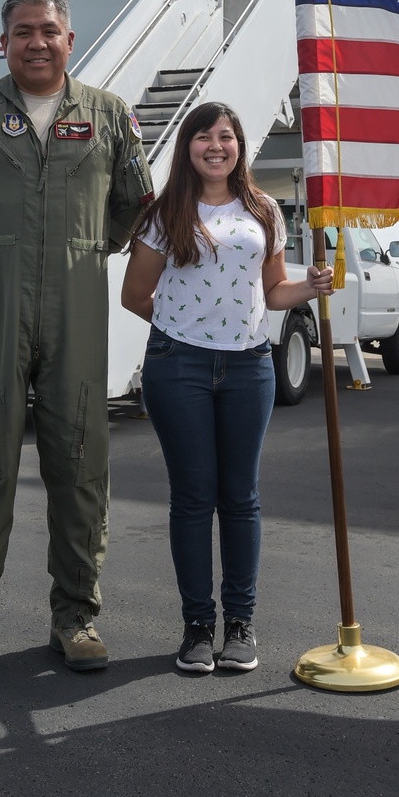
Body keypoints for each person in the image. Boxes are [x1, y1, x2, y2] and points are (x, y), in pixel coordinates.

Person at [0, 0, 153, 683]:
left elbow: (134, 208)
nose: (37, 43)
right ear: (5, 43)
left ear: (69, 40)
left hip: (76, 315)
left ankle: (76, 616)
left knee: (80, 468)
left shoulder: (109, 116)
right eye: (23, 32)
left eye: (48, 30)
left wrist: (81, 252)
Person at [121, 101, 332, 674]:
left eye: (226, 136)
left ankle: (240, 624)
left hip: (248, 367)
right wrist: (185, 330)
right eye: (203, 137)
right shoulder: (165, 213)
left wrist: (310, 287)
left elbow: (274, 292)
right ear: (187, 146)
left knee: (240, 498)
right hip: (179, 367)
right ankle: (197, 626)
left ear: (239, 145)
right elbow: (135, 295)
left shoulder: (264, 210)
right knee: (193, 498)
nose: (215, 146)